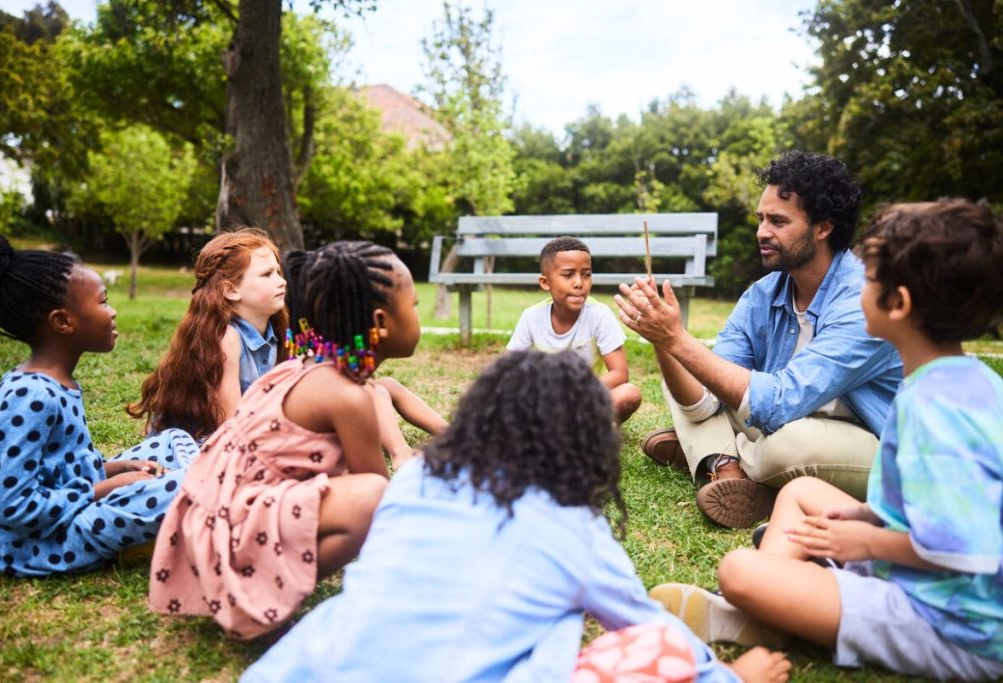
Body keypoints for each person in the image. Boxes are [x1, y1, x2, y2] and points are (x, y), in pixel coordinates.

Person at [240, 350, 791, 683]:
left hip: (316, 663)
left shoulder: (415, 478)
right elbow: (645, 624)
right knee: (661, 645)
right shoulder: (573, 528)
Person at [653, 200, 1003, 680]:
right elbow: (957, 502)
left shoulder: (933, 408)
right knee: (800, 494)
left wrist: (866, 541)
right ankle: (778, 607)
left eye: (869, 279)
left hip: (952, 623)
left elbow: (971, 548)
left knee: (740, 571)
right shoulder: (964, 381)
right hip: (926, 578)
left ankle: (769, 609)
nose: (856, 289)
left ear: (897, 304)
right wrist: (866, 516)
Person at [148, 240, 421, 640]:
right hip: (229, 534)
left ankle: (264, 580)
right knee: (373, 497)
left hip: (218, 518)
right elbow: (384, 512)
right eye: (413, 306)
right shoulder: (348, 396)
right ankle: (259, 600)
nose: (417, 314)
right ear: (380, 322)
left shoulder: (310, 368)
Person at [616, 150, 902, 528]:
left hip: (872, 442)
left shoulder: (864, 299)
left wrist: (678, 341)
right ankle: (728, 469)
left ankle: (710, 455)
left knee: (786, 446)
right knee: (695, 365)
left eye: (778, 221)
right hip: (781, 415)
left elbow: (781, 401)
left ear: (823, 228)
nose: (761, 232)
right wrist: (667, 341)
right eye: (761, 219)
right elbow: (706, 400)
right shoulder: (762, 296)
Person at [0, 234, 198, 577]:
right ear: (63, 322)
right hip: (45, 543)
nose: (112, 312)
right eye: (103, 302)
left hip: (73, 510)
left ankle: (198, 487)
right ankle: (201, 491)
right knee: (184, 485)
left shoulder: (55, 383)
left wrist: (119, 467)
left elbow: (61, 468)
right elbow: (13, 508)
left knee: (173, 439)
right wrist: (104, 489)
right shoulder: (28, 395)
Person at [127, 228, 288, 442]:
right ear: (231, 290)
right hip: (209, 444)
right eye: (267, 274)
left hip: (252, 436)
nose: (281, 281)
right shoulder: (227, 339)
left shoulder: (278, 334)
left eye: (278, 272)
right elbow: (230, 425)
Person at [507, 236, 642, 422]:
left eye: (586, 274)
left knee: (629, 394)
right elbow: (508, 369)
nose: (579, 283)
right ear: (546, 283)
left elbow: (619, 373)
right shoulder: (531, 317)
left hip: (585, 398)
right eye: (568, 274)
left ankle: (576, 429)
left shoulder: (600, 315)